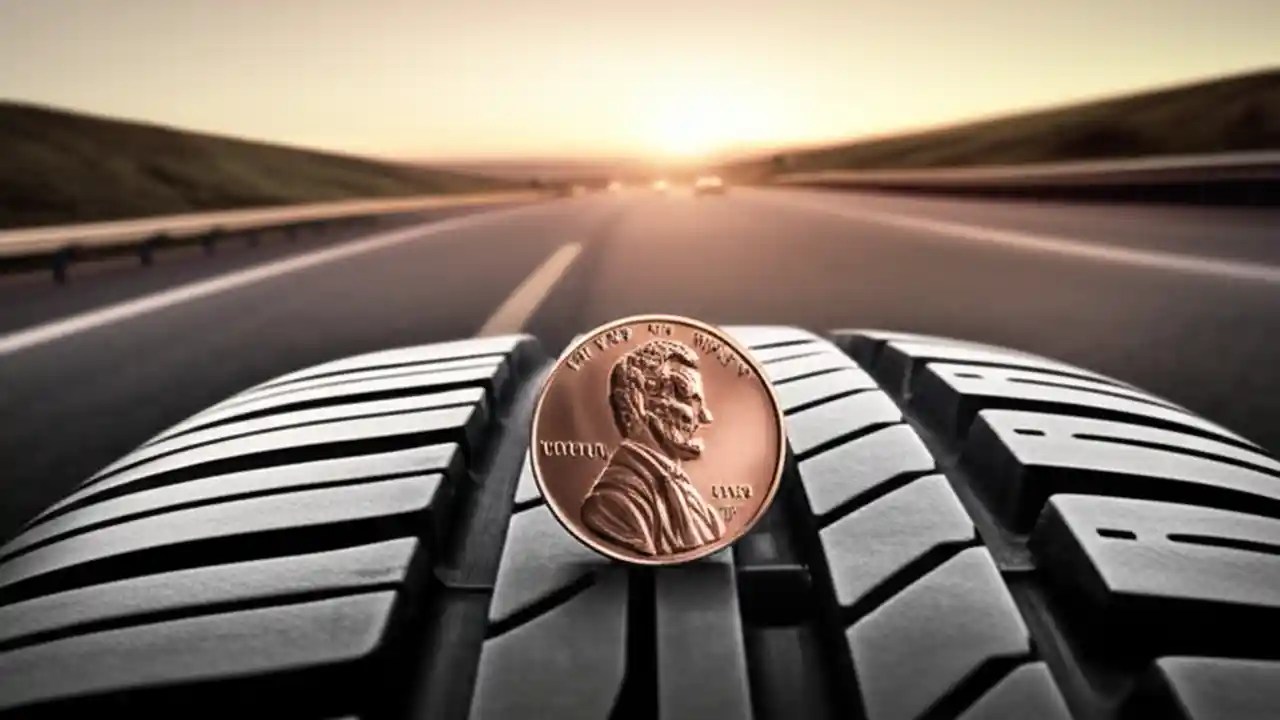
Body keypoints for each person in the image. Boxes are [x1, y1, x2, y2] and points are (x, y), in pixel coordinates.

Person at [580, 339, 726, 555]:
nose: (705, 416)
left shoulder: (706, 512)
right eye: (686, 397)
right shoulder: (609, 506)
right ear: (638, 403)